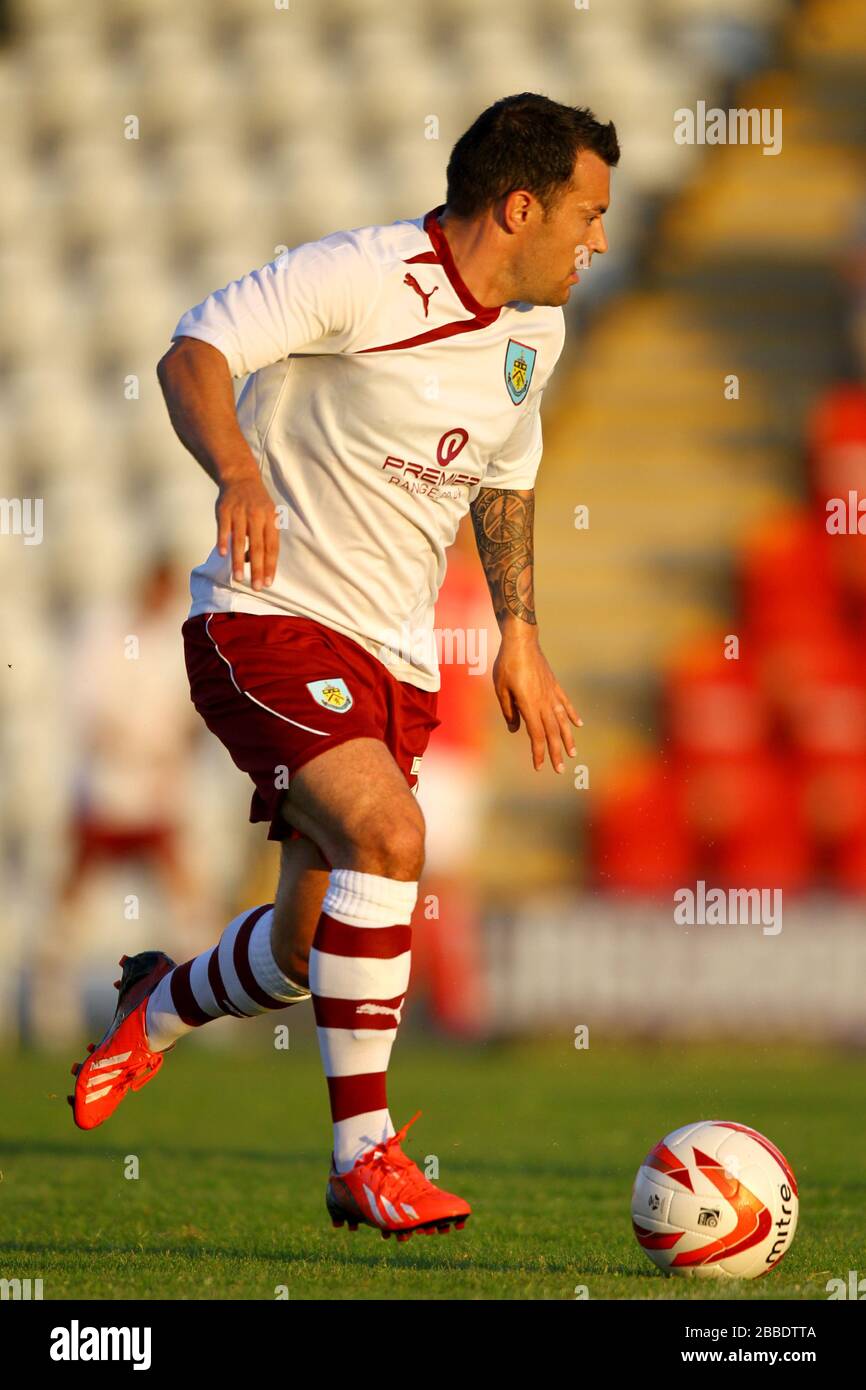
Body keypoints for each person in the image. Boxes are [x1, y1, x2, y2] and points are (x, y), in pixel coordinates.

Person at [69, 93, 618, 1241]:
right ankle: (363, 1156)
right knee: (391, 838)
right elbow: (192, 352)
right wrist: (235, 469)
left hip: (395, 659)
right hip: (266, 619)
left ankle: (153, 1007)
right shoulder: (360, 275)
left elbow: (505, 475)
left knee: (296, 945)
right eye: (586, 214)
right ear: (520, 207)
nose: (597, 241)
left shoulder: (536, 331)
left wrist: (516, 628)